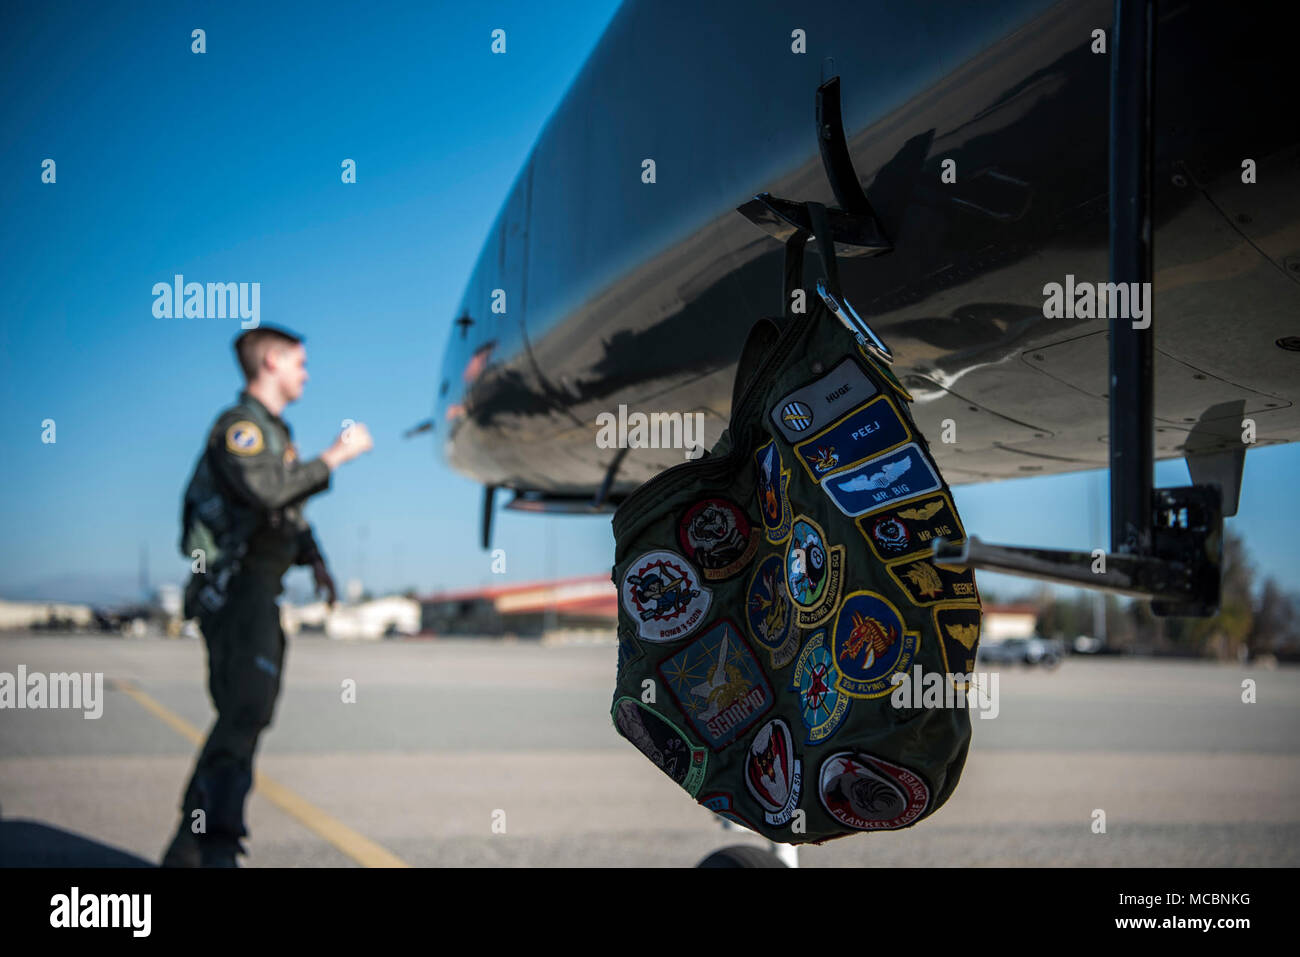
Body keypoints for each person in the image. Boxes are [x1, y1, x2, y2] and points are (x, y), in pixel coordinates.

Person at [162, 325, 373, 867]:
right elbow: (265, 491)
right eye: (299, 363)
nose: (306, 373)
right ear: (271, 362)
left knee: (245, 714)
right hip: (234, 591)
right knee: (246, 710)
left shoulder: (276, 434)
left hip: (260, 590)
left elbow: (285, 514)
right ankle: (216, 847)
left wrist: (318, 563)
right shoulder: (241, 430)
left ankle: (193, 845)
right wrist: (335, 457)